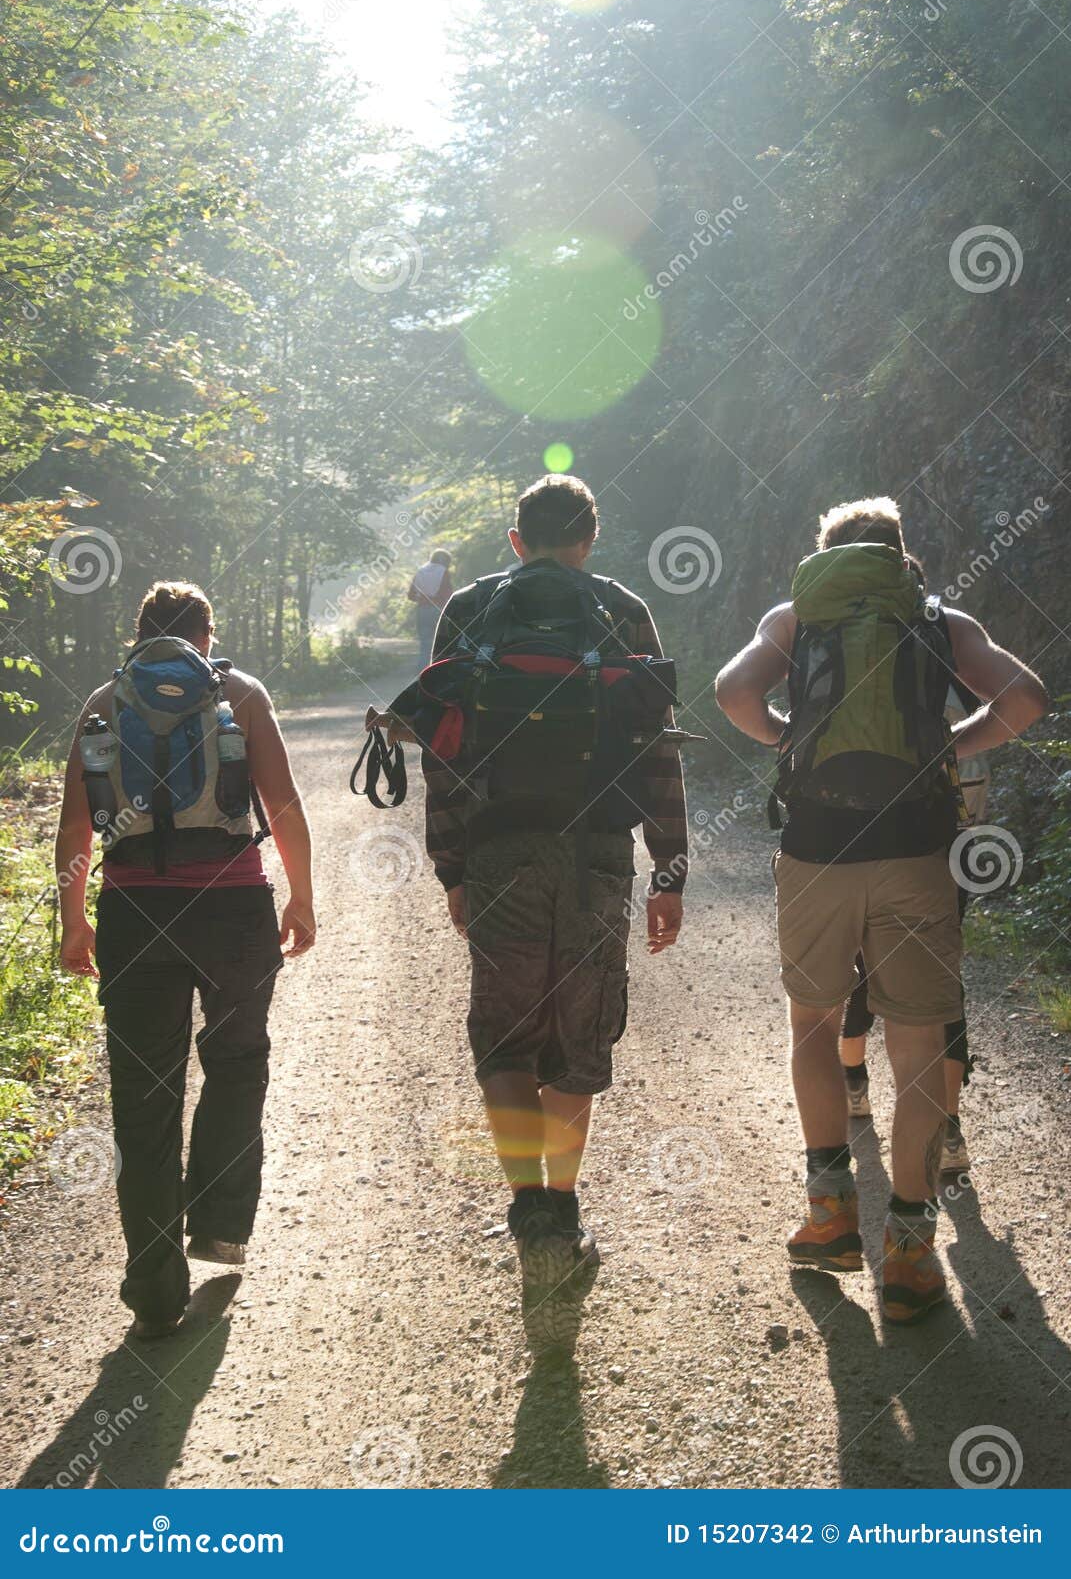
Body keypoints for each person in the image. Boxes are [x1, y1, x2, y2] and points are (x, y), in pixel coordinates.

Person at [715, 497, 1046, 1325]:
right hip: (914, 848)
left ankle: (828, 1214)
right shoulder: (940, 618)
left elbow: (729, 692)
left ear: (826, 558)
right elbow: (1025, 699)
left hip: (818, 848)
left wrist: (788, 735)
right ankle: (907, 1251)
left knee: (814, 1028)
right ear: (902, 559)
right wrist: (949, 746)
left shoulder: (796, 615)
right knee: (918, 1045)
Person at [423, 474, 687, 1349]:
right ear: (589, 539)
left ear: (514, 539)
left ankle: (530, 1213)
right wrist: (669, 868)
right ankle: (564, 1216)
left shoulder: (468, 609)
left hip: (499, 846)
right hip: (597, 850)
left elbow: (442, 749)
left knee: (502, 1030)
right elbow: (656, 749)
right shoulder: (620, 611)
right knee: (578, 1031)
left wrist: (452, 865)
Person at [56, 582, 316, 1340]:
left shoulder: (105, 700)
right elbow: (285, 804)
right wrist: (300, 896)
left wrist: (74, 921)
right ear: (208, 633)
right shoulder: (239, 691)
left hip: (135, 914)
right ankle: (221, 1224)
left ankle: (155, 1291)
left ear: (138, 633)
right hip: (233, 906)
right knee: (237, 1061)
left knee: (143, 1096)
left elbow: (76, 826)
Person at [841, 677, 988, 1179]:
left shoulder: (850, 668)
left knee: (865, 967)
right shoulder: (955, 680)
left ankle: (854, 1083)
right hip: (952, 851)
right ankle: (949, 1132)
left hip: (866, 847)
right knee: (943, 984)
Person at [408, 548, 454, 668]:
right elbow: (448, 594)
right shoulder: (444, 572)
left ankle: (421, 671)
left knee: (425, 643)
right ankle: (437, 669)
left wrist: (423, 598)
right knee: (441, 642)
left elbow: (411, 595)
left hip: (422, 610)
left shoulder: (420, 571)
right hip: (438, 610)